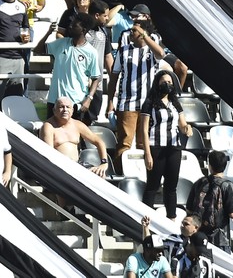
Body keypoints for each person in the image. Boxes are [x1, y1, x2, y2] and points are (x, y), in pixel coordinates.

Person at [109, 12, 165, 170]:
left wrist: (145, 36)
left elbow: (161, 54)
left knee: (144, 143)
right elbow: (114, 76)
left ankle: (143, 174)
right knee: (124, 142)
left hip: (148, 103)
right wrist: (110, 102)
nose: (130, 33)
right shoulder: (124, 50)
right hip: (127, 102)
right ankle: (120, 173)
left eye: (134, 31)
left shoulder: (152, 51)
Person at [138, 69, 192, 220]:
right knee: (152, 186)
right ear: (157, 84)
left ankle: (171, 218)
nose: (167, 85)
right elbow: (143, 129)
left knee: (171, 187)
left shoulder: (175, 103)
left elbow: (182, 124)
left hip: (174, 147)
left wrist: (187, 128)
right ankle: (145, 221)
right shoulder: (149, 103)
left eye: (169, 82)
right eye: (164, 82)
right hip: (156, 147)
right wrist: (147, 153)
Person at [46, 14, 101, 121]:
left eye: (74, 25)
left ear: (83, 30)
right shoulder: (61, 43)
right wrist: (48, 32)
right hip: (55, 100)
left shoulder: (91, 52)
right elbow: (38, 50)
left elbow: (96, 78)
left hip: (76, 102)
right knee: (51, 134)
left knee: (74, 136)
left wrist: (89, 99)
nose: (70, 27)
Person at [40, 96, 108, 175]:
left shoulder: (77, 125)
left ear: (72, 111)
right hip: (58, 167)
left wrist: (104, 163)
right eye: (61, 107)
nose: (65, 110)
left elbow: (99, 142)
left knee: (99, 174)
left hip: (77, 165)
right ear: (54, 111)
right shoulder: (48, 126)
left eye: (68, 107)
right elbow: (48, 154)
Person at [186, 151, 233, 251]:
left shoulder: (199, 183)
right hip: (220, 238)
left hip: (198, 235)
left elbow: (189, 209)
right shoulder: (227, 185)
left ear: (209, 166)